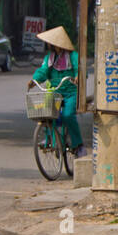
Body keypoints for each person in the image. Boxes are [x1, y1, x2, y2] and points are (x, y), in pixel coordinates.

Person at [29, 26, 85, 158]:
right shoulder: (50, 57)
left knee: (67, 115)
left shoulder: (73, 56)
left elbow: (80, 69)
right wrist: (34, 80)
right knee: (47, 114)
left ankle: (78, 145)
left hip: (71, 92)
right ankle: (52, 139)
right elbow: (43, 71)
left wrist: (78, 77)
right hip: (55, 92)